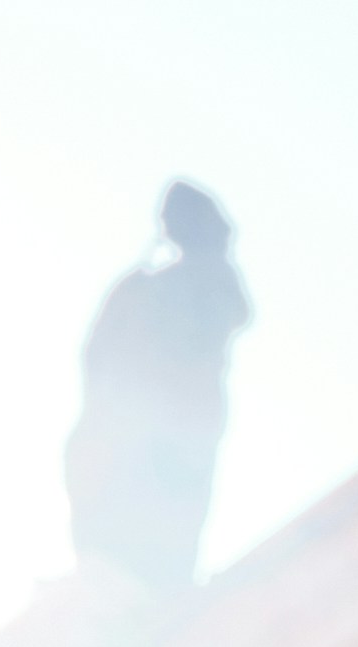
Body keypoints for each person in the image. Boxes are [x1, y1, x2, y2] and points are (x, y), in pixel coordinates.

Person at [61, 185, 248, 594]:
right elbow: (97, 353)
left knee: (165, 503)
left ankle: (156, 586)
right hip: (124, 419)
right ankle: (109, 579)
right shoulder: (139, 288)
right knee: (107, 487)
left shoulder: (204, 281)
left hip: (173, 420)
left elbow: (222, 317)